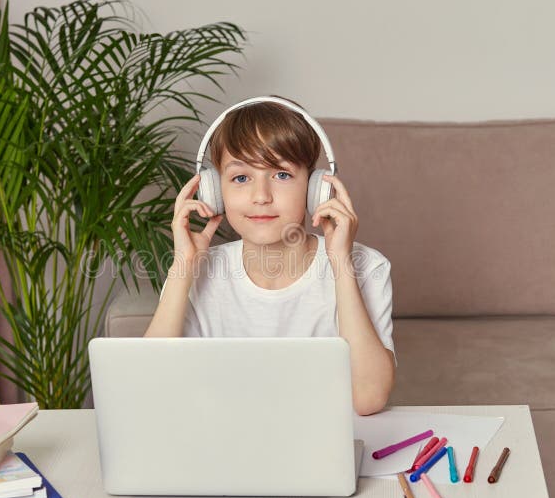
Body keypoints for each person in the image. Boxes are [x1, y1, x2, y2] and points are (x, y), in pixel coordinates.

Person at [143, 96, 395, 416]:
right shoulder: (191, 269)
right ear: (214, 191)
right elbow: (149, 389)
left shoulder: (367, 267)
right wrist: (183, 268)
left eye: (281, 175)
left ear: (316, 189)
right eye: (241, 178)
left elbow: (368, 398)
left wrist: (341, 264)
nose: (261, 196)